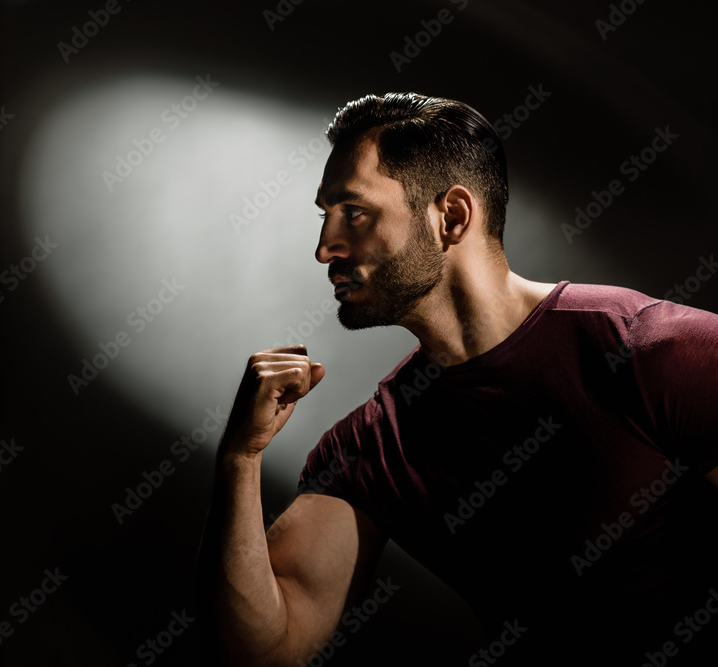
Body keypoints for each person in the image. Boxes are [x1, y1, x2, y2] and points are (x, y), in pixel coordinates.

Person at [196, 92, 718, 666]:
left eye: (355, 212)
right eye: (325, 216)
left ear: (452, 216)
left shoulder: (648, 349)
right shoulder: (373, 447)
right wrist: (239, 458)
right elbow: (264, 651)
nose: (325, 249)